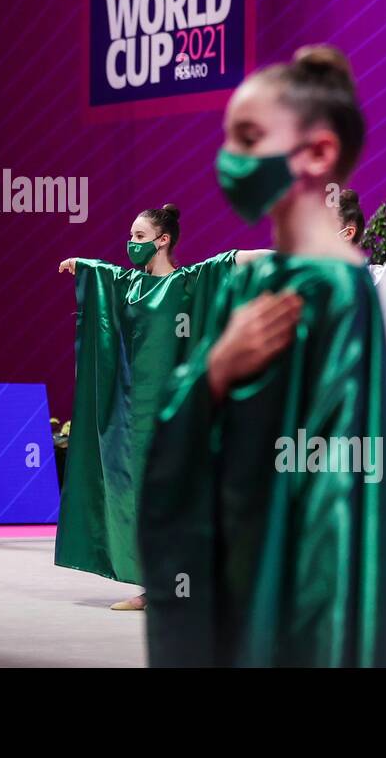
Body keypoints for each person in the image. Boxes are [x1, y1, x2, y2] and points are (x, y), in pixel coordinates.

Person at [141, 46, 386, 667]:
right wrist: (215, 372)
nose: (229, 160)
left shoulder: (331, 292)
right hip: (245, 568)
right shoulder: (257, 284)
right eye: (227, 139)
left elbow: (331, 502)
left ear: (317, 153)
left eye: (247, 139)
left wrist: (208, 378)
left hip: (291, 604)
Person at [55, 204, 266, 611]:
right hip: (136, 416)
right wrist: (82, 264)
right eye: (130, 237)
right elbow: (104, 274)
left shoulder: (188, 283)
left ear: (162, 239)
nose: (130, 244)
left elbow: (235, 260)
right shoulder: (130, 284)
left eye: (138, 236)